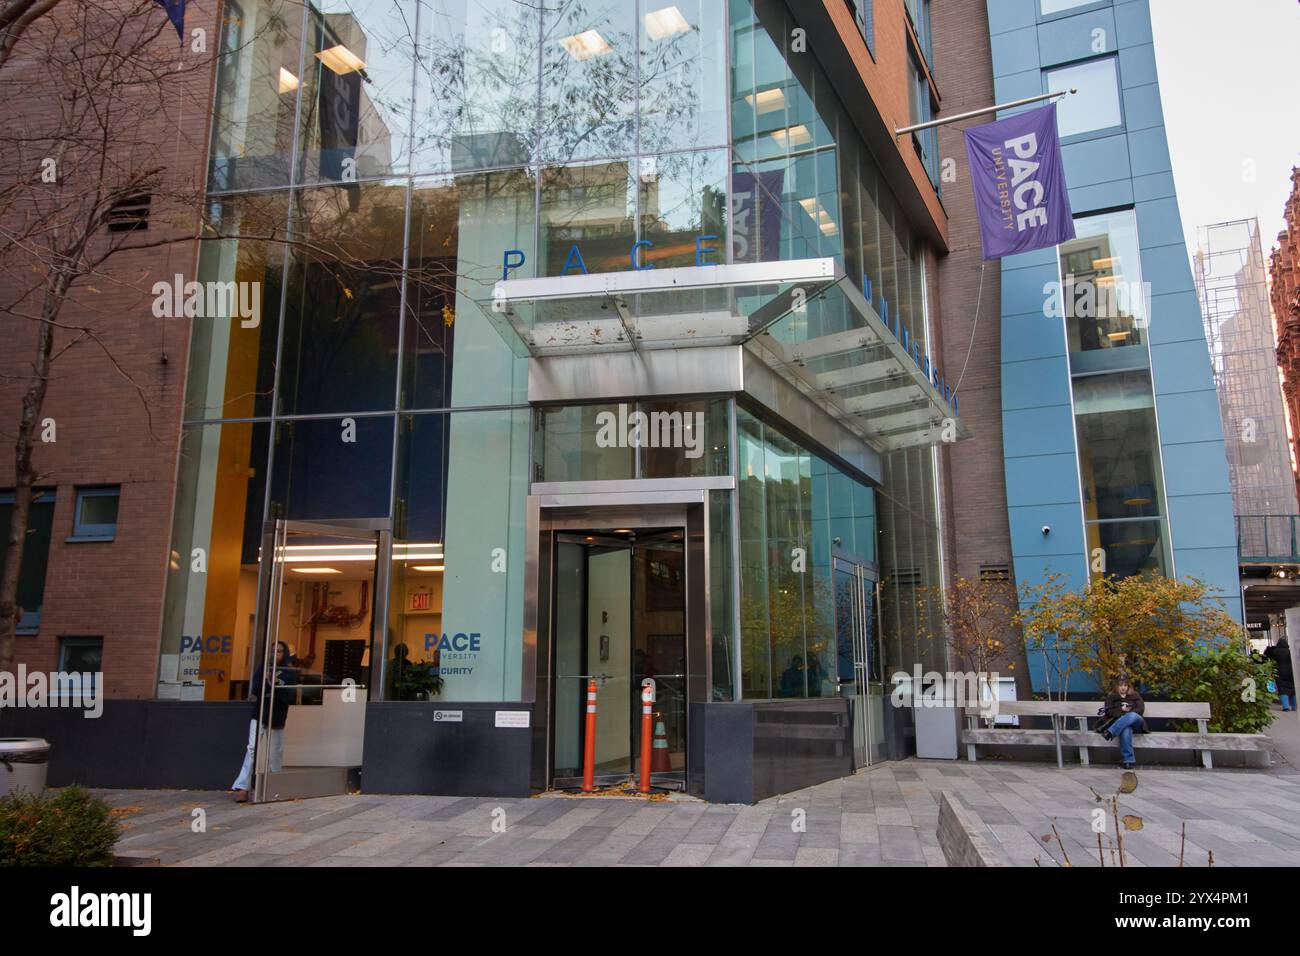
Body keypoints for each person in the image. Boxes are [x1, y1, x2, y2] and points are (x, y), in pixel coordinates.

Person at [231, 641, 297, 803]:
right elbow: (254, 690)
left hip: (277, 716)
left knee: (275, 752)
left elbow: (290, 697)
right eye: (273, 651)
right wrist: (265, 681)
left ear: (285, 654)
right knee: (252, 748)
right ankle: (243, 786)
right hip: (259, 713)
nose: (276, 654)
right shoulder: (263, 668)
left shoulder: (289, 672)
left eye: (280, 651)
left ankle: (273, 786)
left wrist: (275, 685)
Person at [1099, 677, 1146, 770]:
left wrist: (1129, 711)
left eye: (1125, 685)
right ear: (1116, 687)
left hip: (1136, 723)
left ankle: (1110, 732)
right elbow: (1109, 712)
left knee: (1133, 715)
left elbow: (1141, 709)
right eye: (1121, 685)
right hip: (1121, 725)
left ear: (1128, 687)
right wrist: (1121, 710)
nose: (1123, 688)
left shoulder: (1135, 695)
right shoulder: (1111, 697)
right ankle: (1128, 761)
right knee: (1126, 729)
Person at [1265, 639, 1295, 711]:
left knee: (1282, 689)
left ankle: (1286, 707)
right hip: (1291, 672)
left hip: (1279, 672)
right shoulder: (1290, 652)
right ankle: (1295, 707)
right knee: (1293, 689)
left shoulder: (1275, 652)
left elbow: (1271, 661)